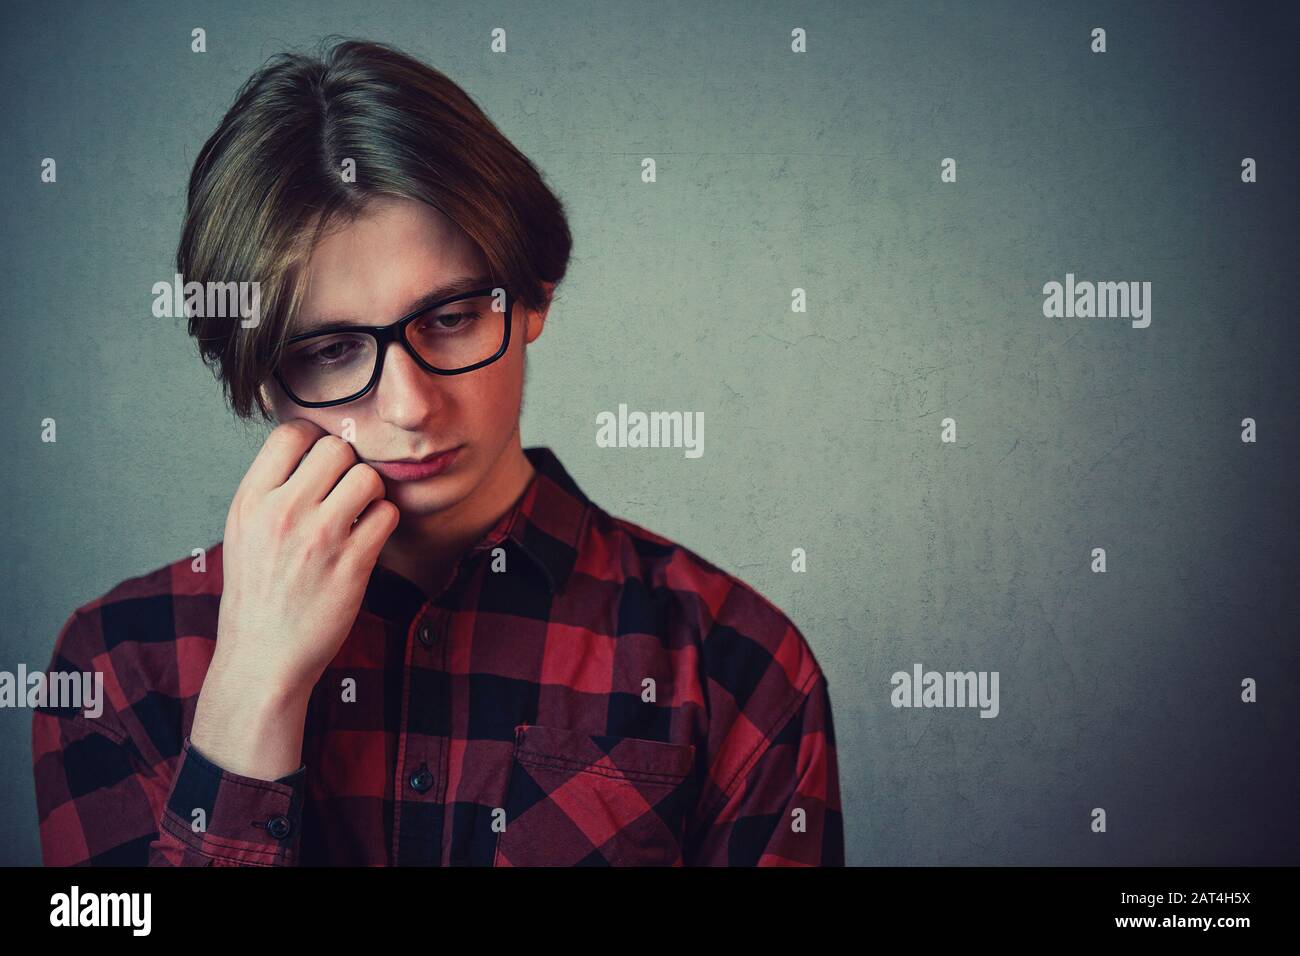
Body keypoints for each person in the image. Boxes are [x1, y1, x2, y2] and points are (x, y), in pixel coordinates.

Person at [30, 38, 843, 866]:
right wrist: (250, 692)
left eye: (451, 318)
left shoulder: (738, 667)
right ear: (259, 382)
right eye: (332, 350)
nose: (411, 404)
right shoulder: (115, 669)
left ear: (533, 297)